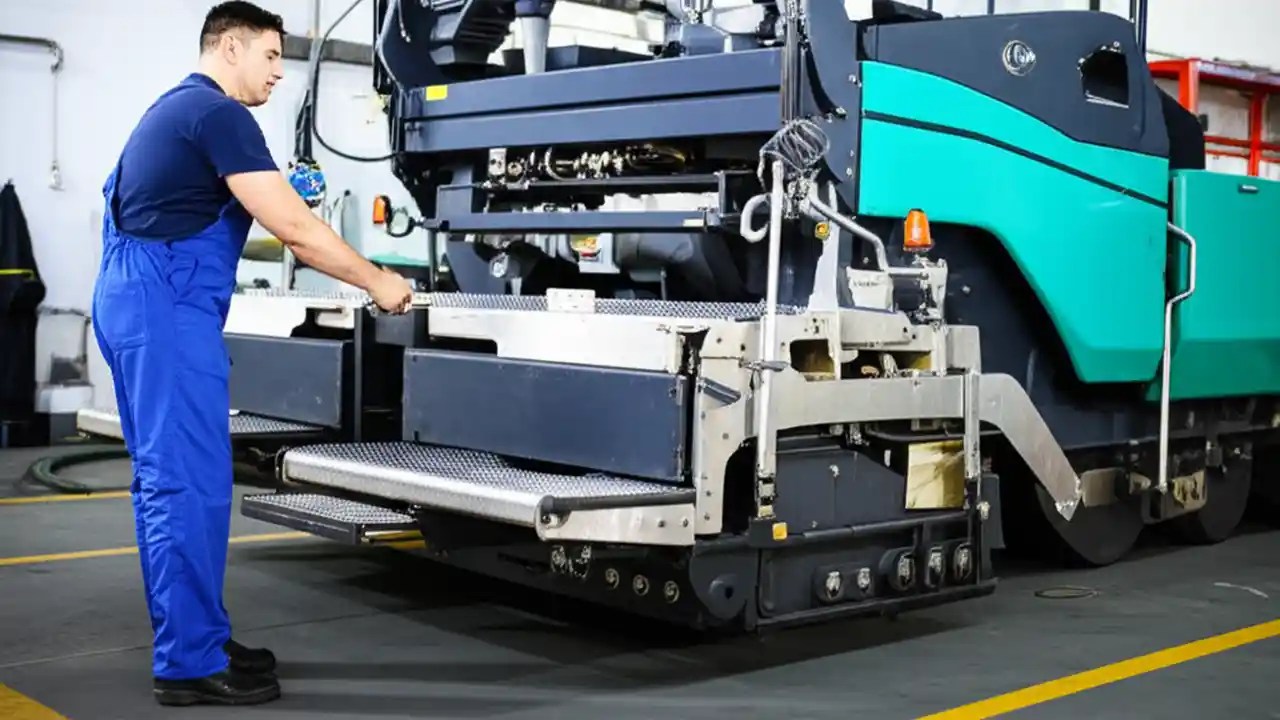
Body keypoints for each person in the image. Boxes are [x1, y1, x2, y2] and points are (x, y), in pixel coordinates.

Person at [91, 1, 414, 707]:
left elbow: (232, 220)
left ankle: (196, 634)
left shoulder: (174, 111)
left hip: (139, 301)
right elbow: (296, 231)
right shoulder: (220, 117)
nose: (277, 73)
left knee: (165, 484)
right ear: (230, 48)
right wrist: (380, 281)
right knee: (189, 486)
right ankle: (186, 665)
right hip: (167, 312)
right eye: (270, 57)